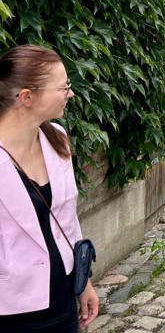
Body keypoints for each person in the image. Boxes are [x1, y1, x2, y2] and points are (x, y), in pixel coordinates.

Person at [0, 44, 99, 332]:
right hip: (11, 313)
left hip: (63, 303)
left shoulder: (57, 139)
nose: (70, 93)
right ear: (27, 97)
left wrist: (84, 282)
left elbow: (67, 220)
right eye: (63, 87)